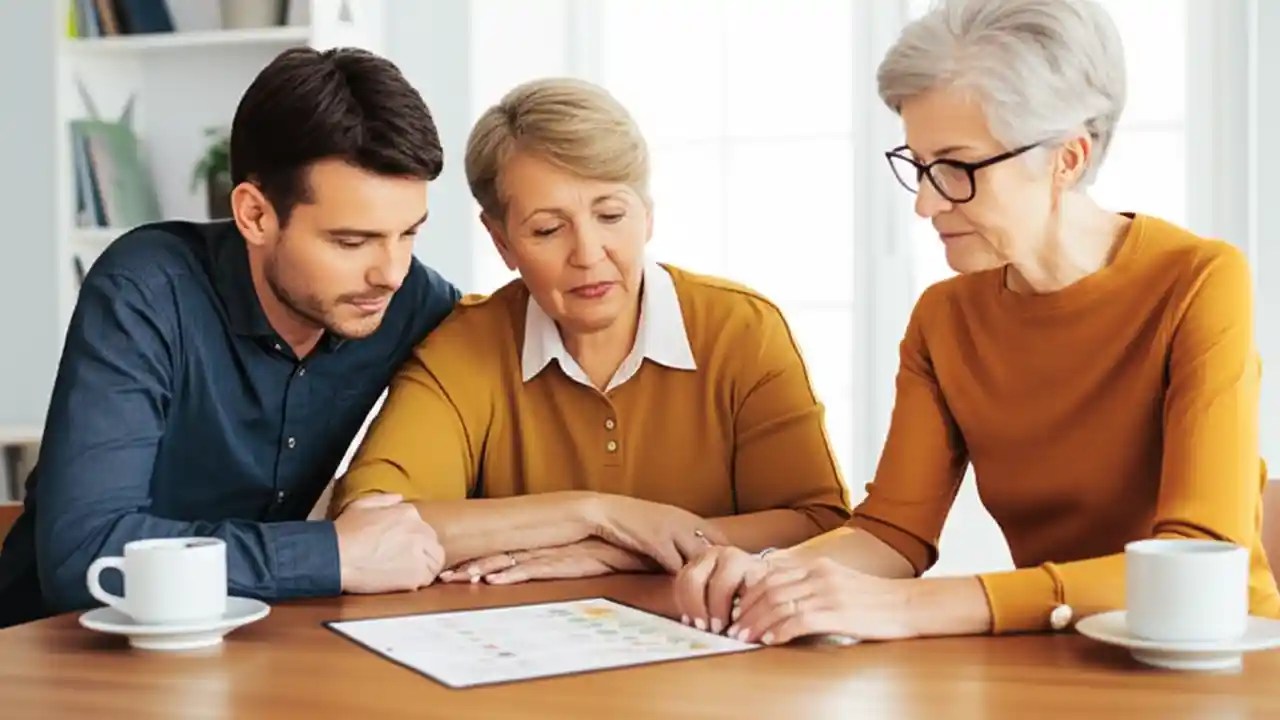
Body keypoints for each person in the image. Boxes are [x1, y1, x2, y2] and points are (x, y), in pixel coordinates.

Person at [674, 0, 1280, 644]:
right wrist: (771, 572)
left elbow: (1201, 558)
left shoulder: (1198, 280)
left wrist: (908, 609)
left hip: (1214, 657)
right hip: (1055, 658)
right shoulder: (946, 316)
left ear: (1066, 160)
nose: (927, 202)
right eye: (920, 165)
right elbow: (894, 533)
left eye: (957, 168)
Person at [328, 78, 850, 599]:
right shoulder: (464, 345)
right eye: (548, 230)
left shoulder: (742, 329)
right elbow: (371, 523)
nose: (588, 253)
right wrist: (594, 515)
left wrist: (616, 550)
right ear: (502, 241)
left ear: (647, 215)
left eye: (611, 215)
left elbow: (817, 525)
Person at [0, 47, 460, 628]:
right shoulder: (146, 290)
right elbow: (83, 557)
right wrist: (332, 554)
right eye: (351, 242)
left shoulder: (409, 299)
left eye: (409, 234)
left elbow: (511, 356)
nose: (389, 272)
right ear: (255, 216)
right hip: (52, 655)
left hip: (251, 650)